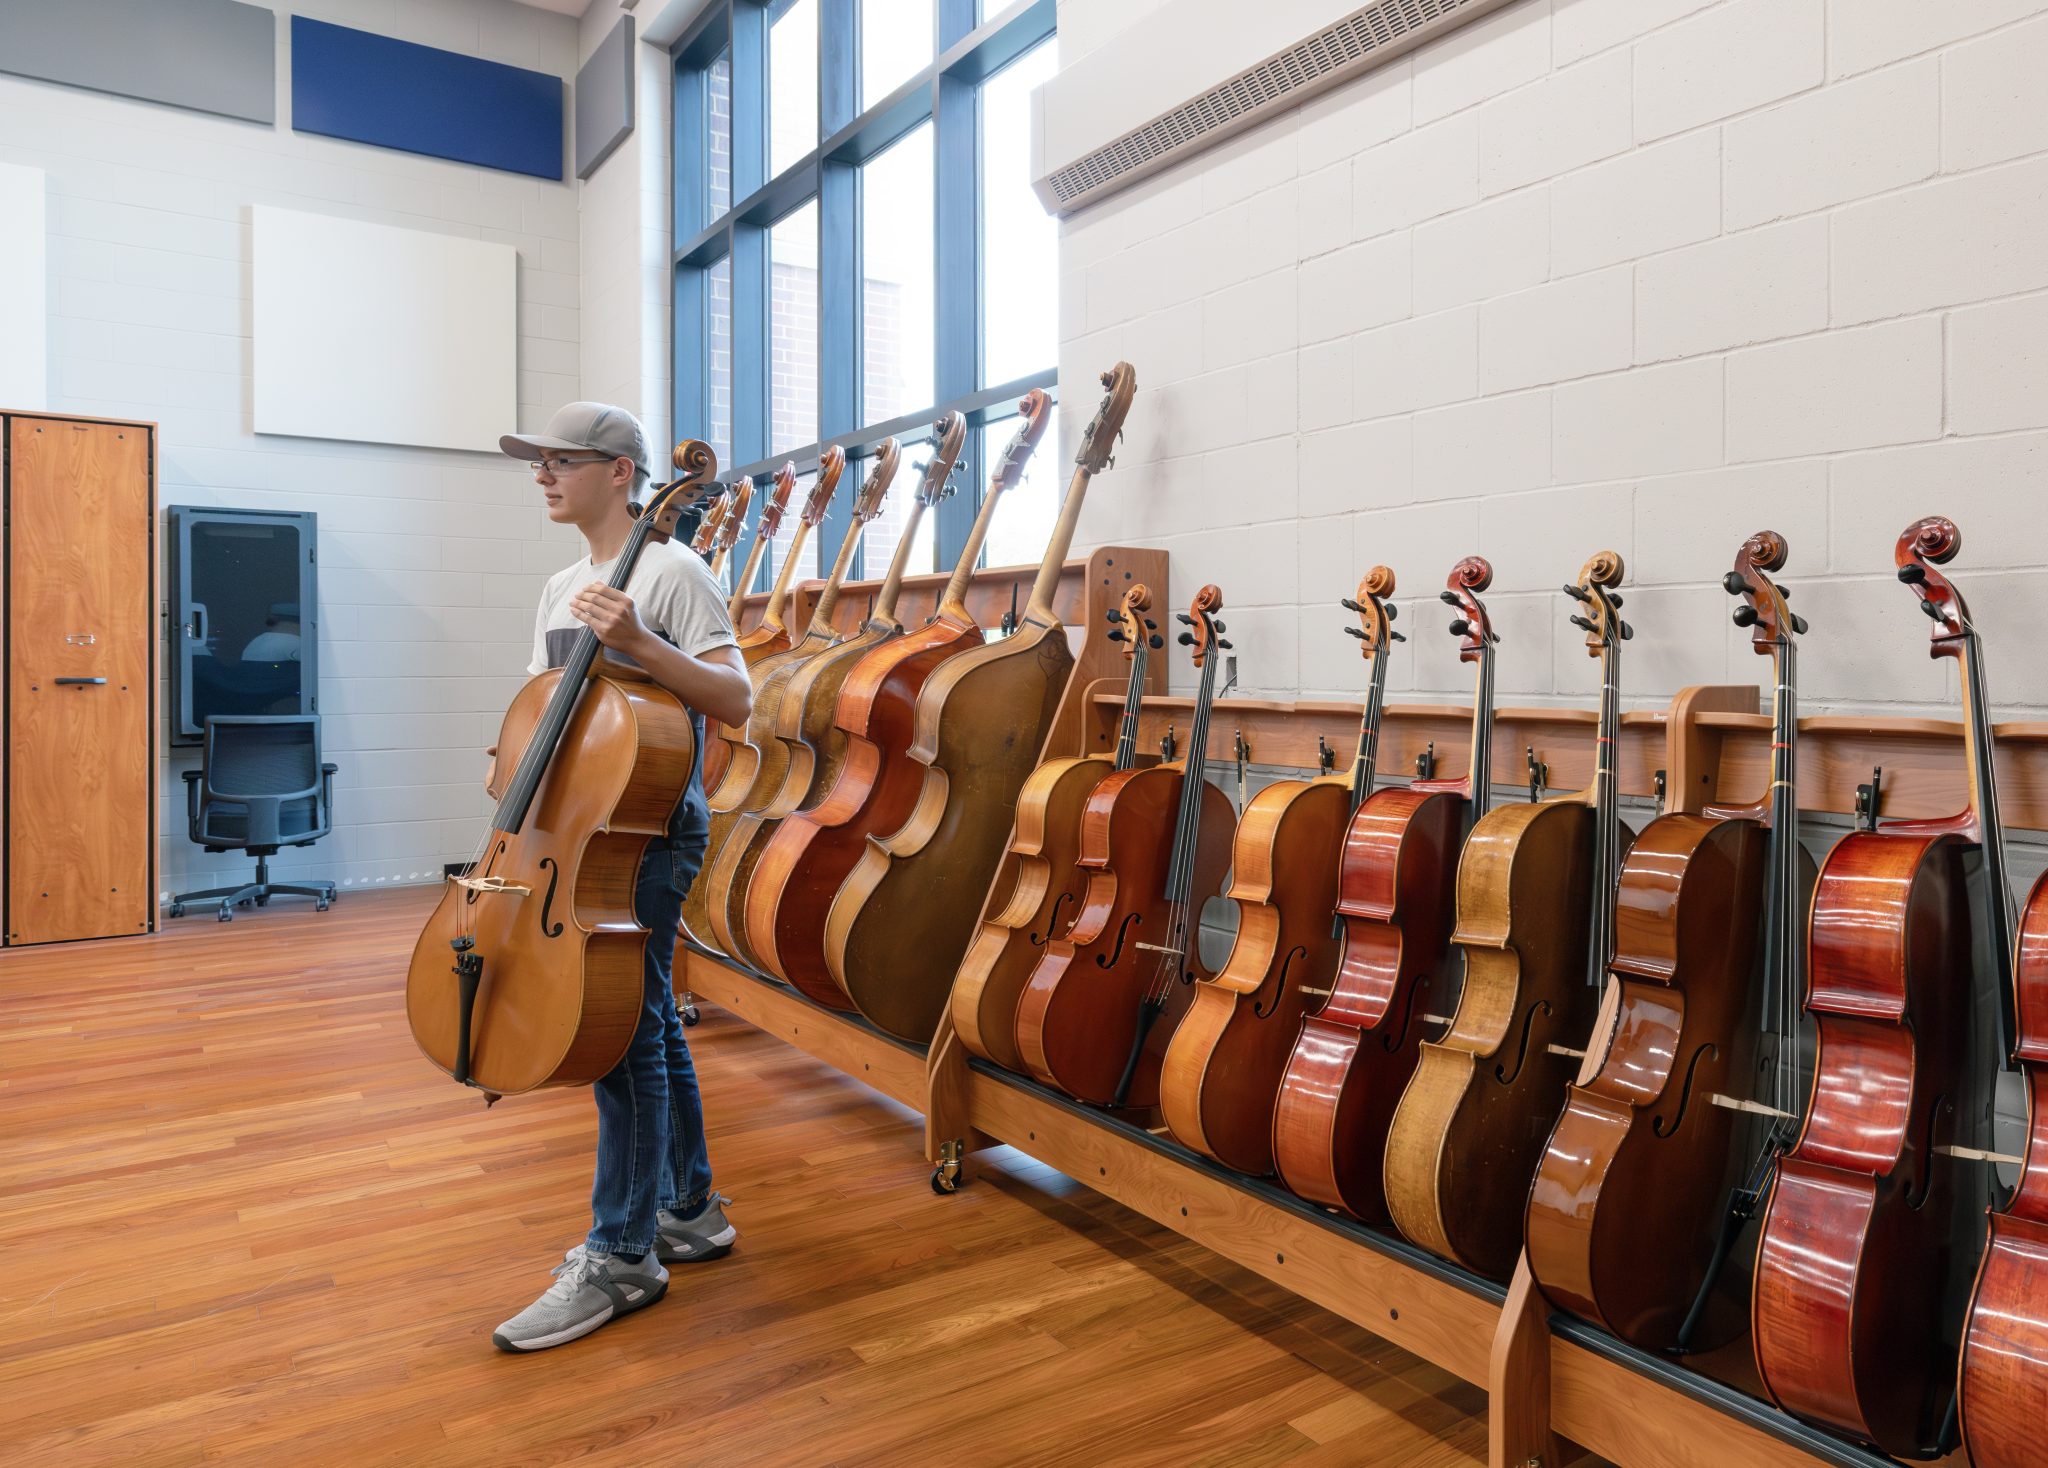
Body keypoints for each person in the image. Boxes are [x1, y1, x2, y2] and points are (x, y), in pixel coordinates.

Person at [488, 402, 753, 1352]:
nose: (543, 475)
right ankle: (689, 1208)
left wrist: (642, 642)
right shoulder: (564, 581)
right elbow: (542, 700)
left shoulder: (674, 570)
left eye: (562, 460)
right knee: (641, 1018)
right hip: (578, 825)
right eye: (539, 463)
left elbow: (736, 699)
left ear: (619, 472)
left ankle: (622, 1253)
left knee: (620, 1035)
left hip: (650, 828)